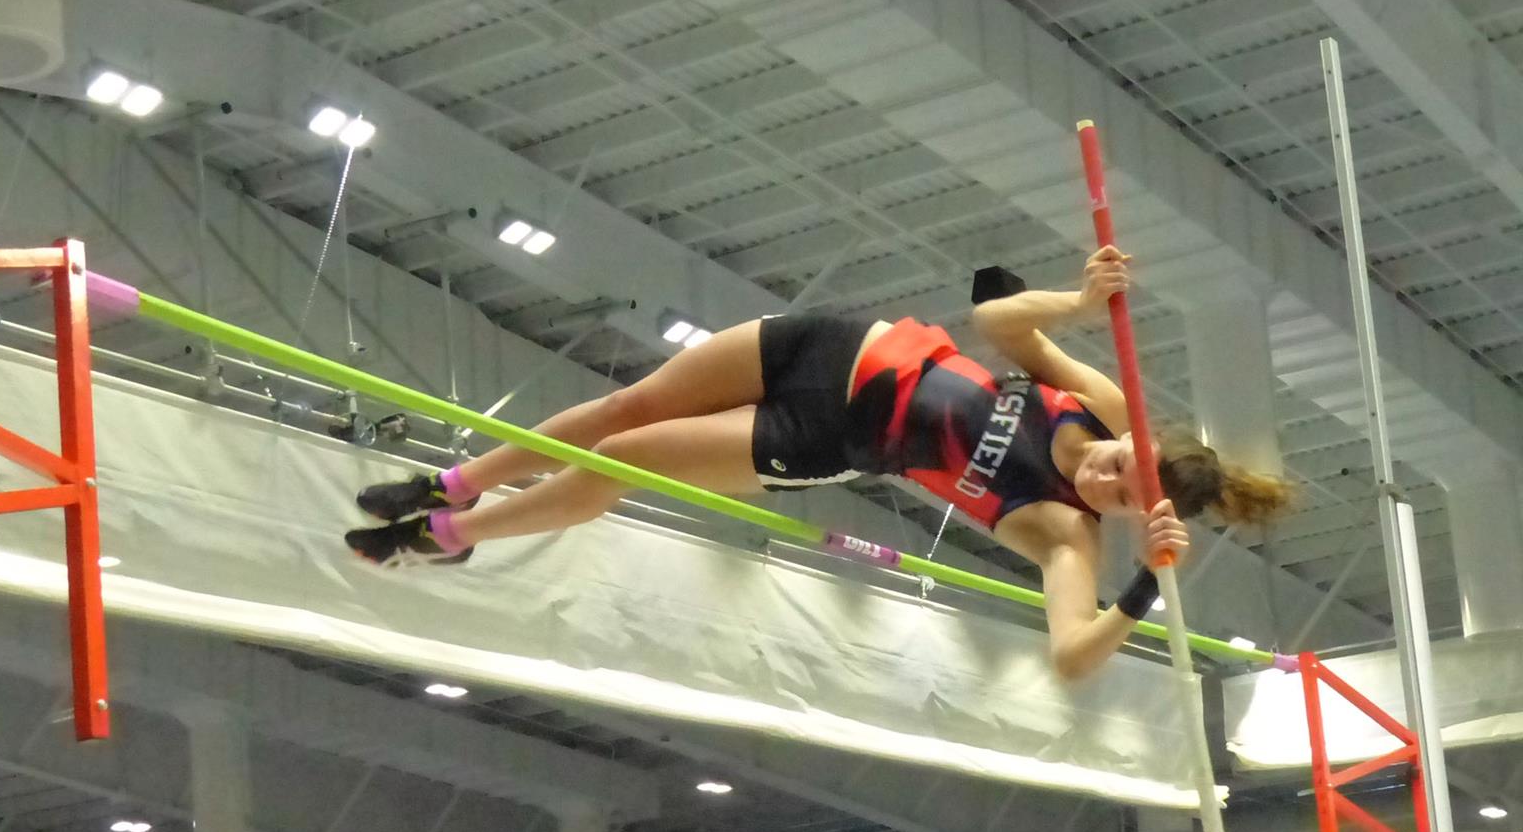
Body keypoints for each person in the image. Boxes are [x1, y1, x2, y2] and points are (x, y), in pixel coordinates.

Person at [346, 246, 1293, 680]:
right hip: (834, 347)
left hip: (825, 441)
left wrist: (1142, 592)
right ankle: (459, 479)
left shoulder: (1064, 533)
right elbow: (998, 324)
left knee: (628, 456)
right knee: (630, 401)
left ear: (1130, 514)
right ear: (1139, 436)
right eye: (1119, 463)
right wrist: (1077, 303)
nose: (1104, 478)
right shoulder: (1106, 402)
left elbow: (1071, 658)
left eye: (1120, 494)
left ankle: (456, 534)